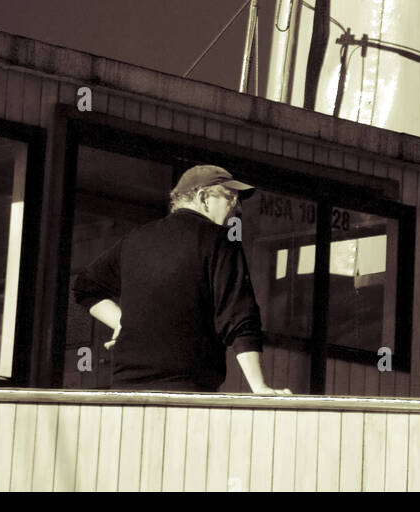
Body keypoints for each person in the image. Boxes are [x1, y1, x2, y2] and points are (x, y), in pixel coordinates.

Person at [72, 164, 292, 395]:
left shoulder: (136, 238)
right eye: (230, 197)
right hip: (188, 390)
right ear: (203, 197)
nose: (236, 208)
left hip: (125, 388)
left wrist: (121, 323)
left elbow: (85, 286)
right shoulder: (219, 240)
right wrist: (259, 386)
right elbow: (239, 316)